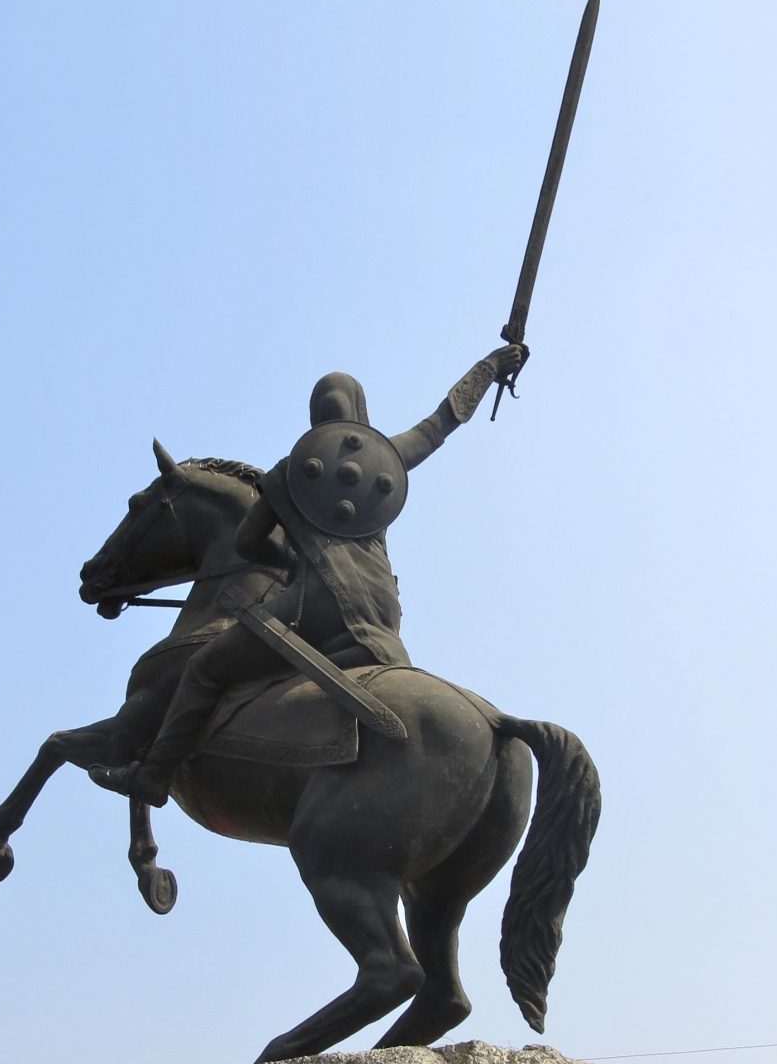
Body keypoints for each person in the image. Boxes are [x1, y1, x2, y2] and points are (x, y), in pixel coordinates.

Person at [90, 344, 524, 805]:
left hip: (311, 609)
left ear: (316, 418)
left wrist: (292, 564)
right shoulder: (386, 457)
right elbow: (443, 422)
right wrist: (492, 366)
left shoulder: (286, 476)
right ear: (359, 414)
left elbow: (245, 544)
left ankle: (154, 776)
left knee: (204, 668)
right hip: (382, 612)